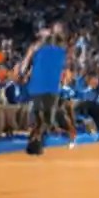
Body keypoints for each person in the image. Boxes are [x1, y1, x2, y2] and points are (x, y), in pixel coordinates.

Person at [19, 25, 67, 156]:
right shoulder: (36, 49)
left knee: (47, 119)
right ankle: (35, 142)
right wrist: (24, 73)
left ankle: (37, 141)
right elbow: (26, 63)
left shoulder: (59, 49)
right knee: (39, 116)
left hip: (51, 87)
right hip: (39, 86)